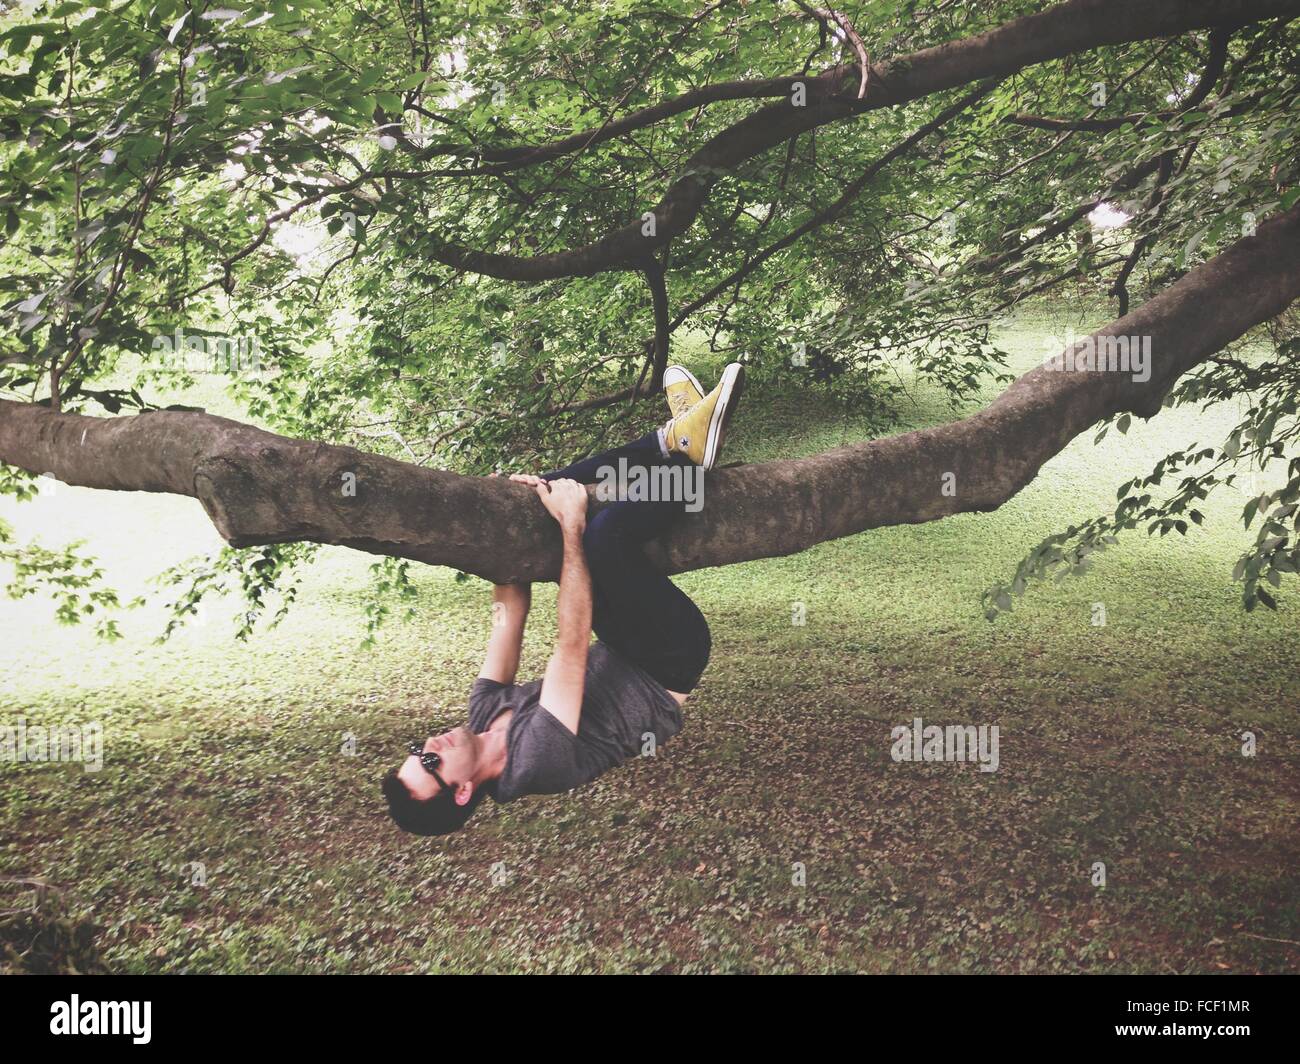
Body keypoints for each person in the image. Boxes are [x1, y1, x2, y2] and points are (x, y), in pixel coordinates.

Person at [382, 362, 745, 835]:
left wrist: (503, 515)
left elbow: (507, 616)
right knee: (600, 538)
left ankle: (672, 440)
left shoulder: (482, 715)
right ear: (462, 790)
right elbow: (570, 646)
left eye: (417, 750)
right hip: (668, 658)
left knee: (544, 497)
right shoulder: (535, 763)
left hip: (622, 642)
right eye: (430, 761)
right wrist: (569, 527)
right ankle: (686, 469)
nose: (430, 744)